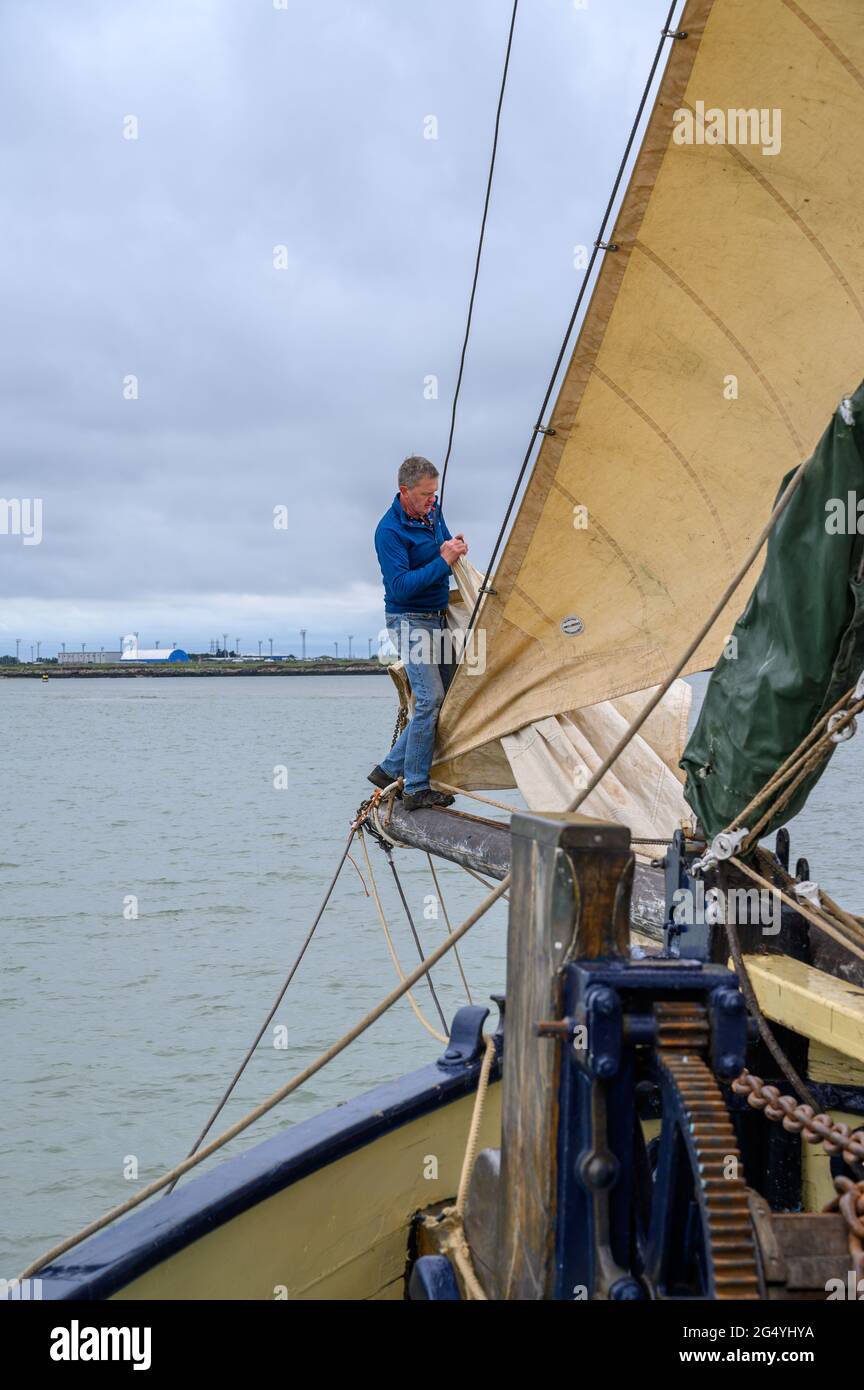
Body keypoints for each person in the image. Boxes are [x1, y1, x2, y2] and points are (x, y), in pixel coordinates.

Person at [368, 456, 468, 810]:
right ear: (404, 491)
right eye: (426, 494)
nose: (432, 500)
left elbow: (441, 546)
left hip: (438, 616)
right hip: (408, 620)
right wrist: (442, 561)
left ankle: (389, 768)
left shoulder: (433, 512)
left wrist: (452, 548)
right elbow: (402, 586)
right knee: (429, 700)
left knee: (452, 695)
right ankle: (415, 788)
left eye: (434, 493)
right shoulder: (389, 531)